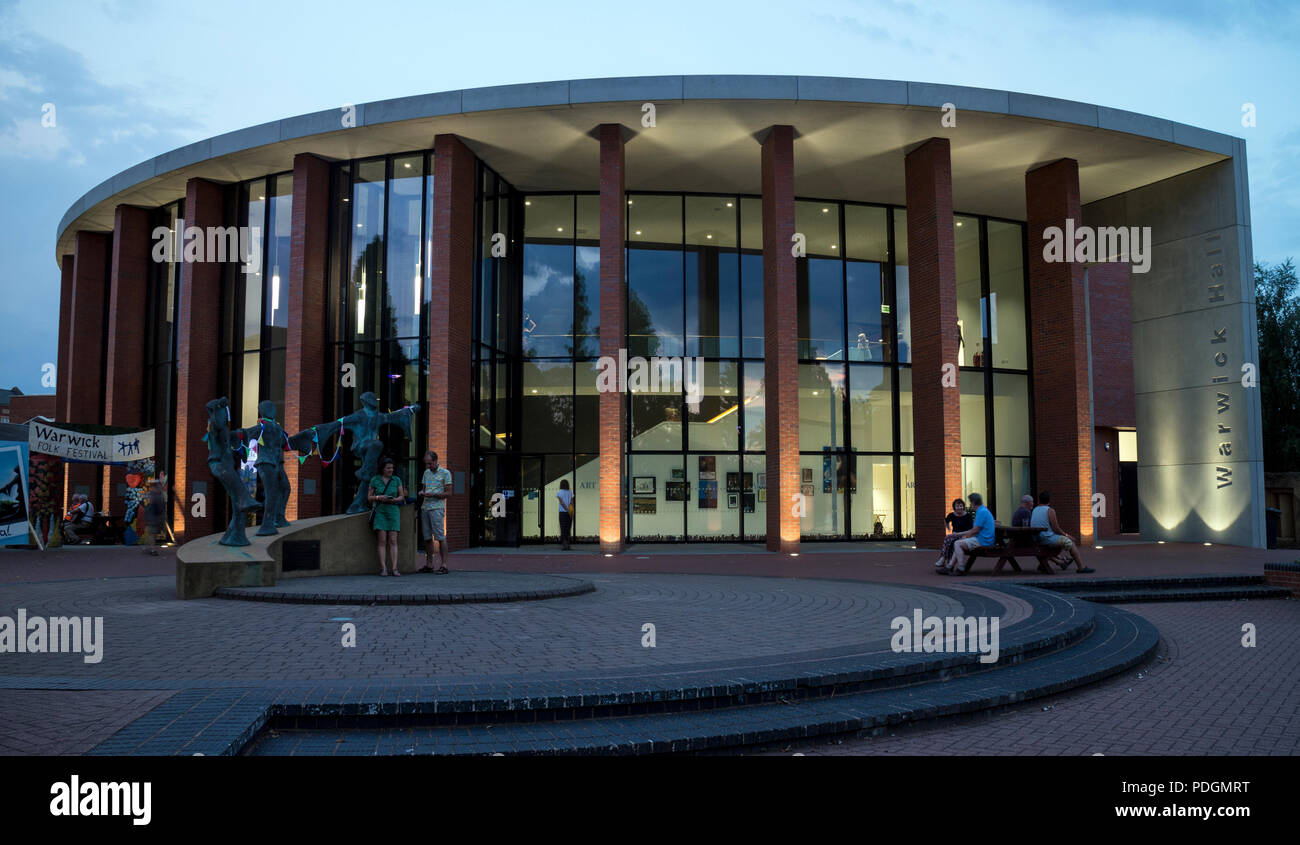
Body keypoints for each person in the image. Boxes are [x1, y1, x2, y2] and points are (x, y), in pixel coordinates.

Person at [1030, 491, 1095, 573]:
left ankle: (1043, 565)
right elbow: (1056, 528)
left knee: (1058, 544)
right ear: (1049, 501)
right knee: (1070, 543)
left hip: (1037, 538)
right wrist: (1067, 535)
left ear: (1039, 500)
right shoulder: (1050, 510)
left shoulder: (1035, 510)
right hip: (1047, 538)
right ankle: (1081, 567)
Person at [368, 457, 406, 576]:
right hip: (380, 510)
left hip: (393, 510)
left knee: (393, 540)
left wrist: (395, 499)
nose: (391, 470)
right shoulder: (375, 479)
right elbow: (369, 497)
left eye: (392, 468)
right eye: (388, 468)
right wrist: (379, 497)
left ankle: (395, 568)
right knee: (382, 540)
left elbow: (402, 496)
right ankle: (383, 568)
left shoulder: (396, 480)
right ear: (382, 468)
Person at [416, 450, 452, 574]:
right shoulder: (426, 473)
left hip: (437, 508)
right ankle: (429, 564)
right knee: (427, 537)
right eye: (427, 464)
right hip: (425, 507)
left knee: (440, 537)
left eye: (430, 463)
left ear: (436, 461)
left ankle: (444, 565)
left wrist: (434, 494)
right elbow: (424, 489)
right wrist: (422, 493)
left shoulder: (445, 473)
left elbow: (449, 493)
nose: (428, 466)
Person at [946, 492, 996, 576]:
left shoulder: (981, 512)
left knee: (957, 543)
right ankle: (949, 566)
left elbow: (975, 530)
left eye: (970, 502)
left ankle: (960, 568)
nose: (970, 504)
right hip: (983, 538)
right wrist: (960, 535)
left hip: (983, 540)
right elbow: (974, 530)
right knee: (959, 542)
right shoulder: (983, 510)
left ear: (973, 502)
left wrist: (965, 537)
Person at [933, 498, 973, 572]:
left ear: (963, 507)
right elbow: (946, 520)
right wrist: (948, 528)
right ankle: (946, 561)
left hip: (964, 535)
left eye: (961, 506)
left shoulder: (968, 516)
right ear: (954, 507)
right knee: (949, 539)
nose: (959, 508)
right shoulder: (952, 515)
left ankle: (944, 559)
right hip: (954, 535)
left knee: (950, 540)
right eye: (957, 506)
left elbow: (970, 530)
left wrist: (961, 535)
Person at [142, 480, 166, 555]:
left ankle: (152, 549)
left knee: (151, 533)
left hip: (152, 517)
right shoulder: (160, 494)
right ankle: (148, 547)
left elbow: (150, 504)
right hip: (158, 517)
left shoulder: (152, 494)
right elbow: (162, 506)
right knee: (151, 533)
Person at [556, 479, 575, 551]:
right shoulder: (570, 492)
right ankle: (568, 545)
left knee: (563, 528)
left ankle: (565, 545)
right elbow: (572, 503)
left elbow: (562, 503)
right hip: (569, 513)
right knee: (568, 528)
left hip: (562, 512)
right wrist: (570, 511)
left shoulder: (559, 492)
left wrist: (566, 509)